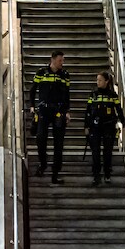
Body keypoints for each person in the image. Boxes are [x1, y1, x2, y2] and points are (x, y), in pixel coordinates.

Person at [31, 50, 71, 183]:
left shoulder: (64, 75)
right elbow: (33, 90)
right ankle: (43, 163)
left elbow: (67, 95)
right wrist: (32, 106)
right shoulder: (41, 73)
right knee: (40, 138)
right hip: (44, 110)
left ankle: (55, 174)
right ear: (52, 59)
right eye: (60, 60)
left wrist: (67, 111)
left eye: (63, 60)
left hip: (58, 112)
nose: (62, 63)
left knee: (58, 144)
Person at [84, 70, 125, 185]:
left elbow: (119, 110)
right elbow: (88, 111)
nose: (97, 82)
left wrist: (124, 124)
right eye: (97, 80)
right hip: (95, 126)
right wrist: (86, 126)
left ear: (106, 81)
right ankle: (96, 175)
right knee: (96, 152)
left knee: (107, 152)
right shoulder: (93, 94)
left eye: (100, 80)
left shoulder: (112, 95)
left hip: (108, 126)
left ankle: (107, 174)